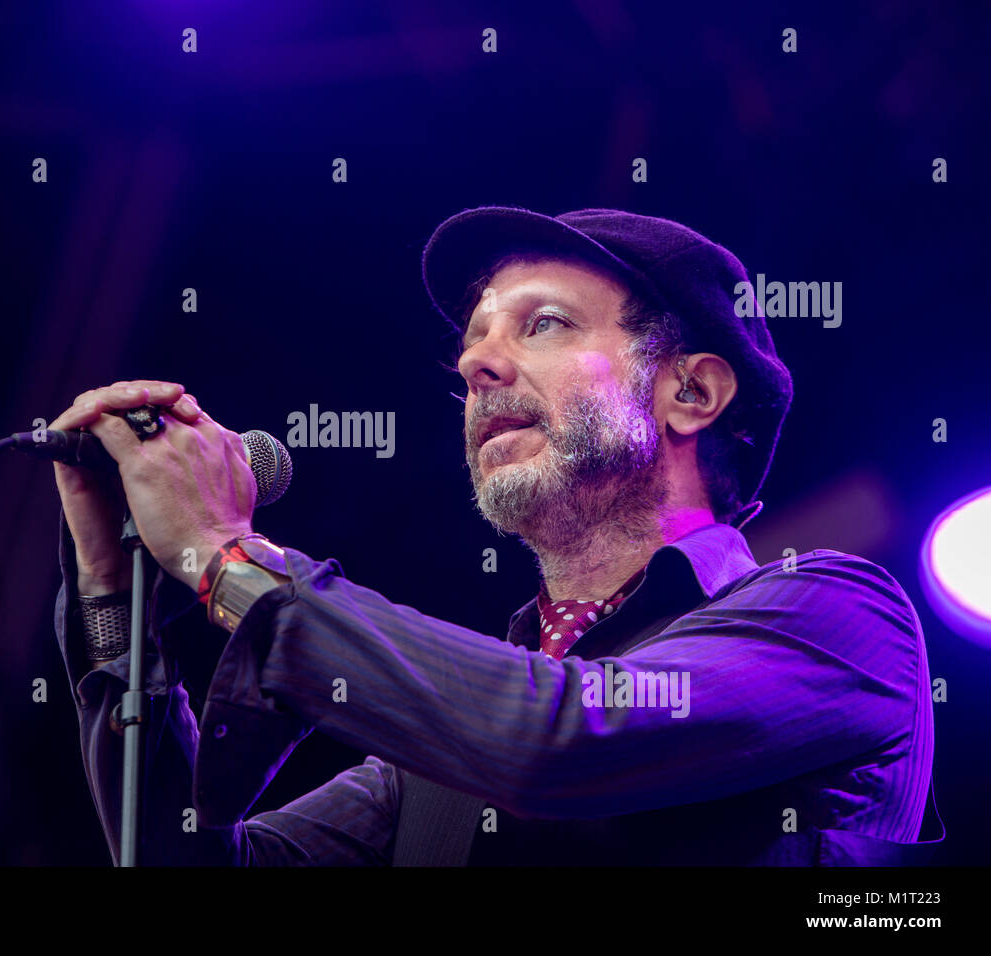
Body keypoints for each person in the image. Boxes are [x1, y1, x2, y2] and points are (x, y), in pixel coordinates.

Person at [47, 206, 941, 865]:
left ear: (691, 395)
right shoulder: (441, 752)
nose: (476, 362)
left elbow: (562, 739)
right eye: (473, 341)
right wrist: (109, 601)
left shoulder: (839, 616)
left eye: (542, 324)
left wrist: (226, 560)